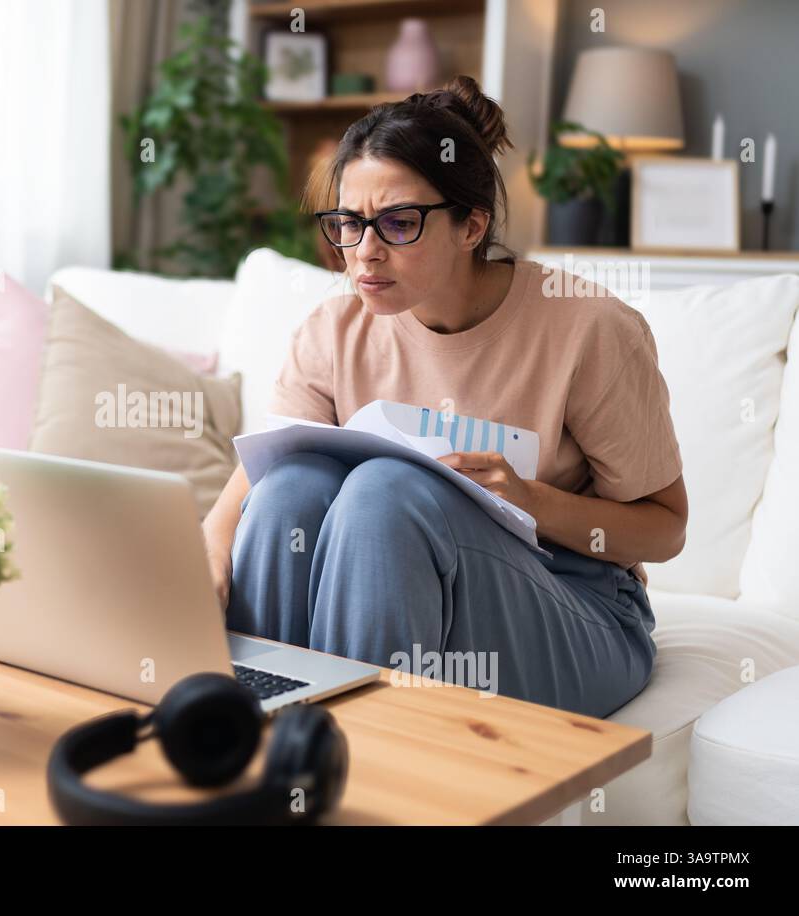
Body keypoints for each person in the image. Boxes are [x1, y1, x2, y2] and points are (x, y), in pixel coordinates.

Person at [201, 76, 687, 719]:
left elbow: (666, 529)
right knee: (291, 486)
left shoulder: (588, 328)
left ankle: (364, 765)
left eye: (398, 224)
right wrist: (206, 561)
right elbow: (249, 493)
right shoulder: (333, 327)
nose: (364, 254)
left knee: (385, 492)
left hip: (581, 608)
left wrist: (528, 499)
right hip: (402, 598)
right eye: (348, 224)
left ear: (471, 226)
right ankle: (252, 742)